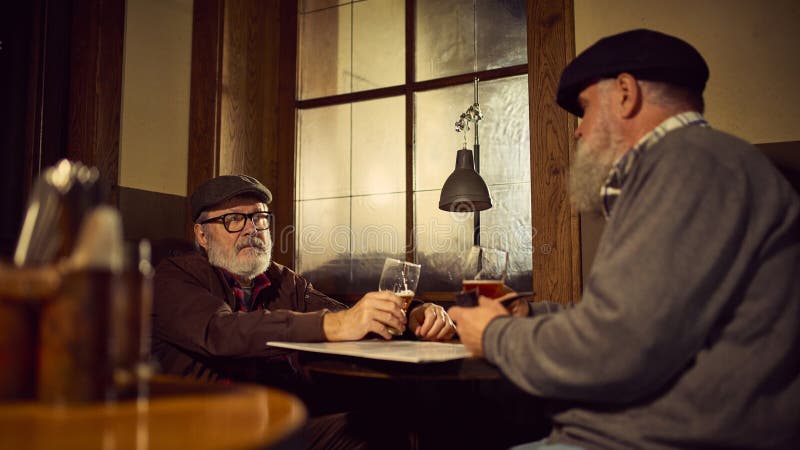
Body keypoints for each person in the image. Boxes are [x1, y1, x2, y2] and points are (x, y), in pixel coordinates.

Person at [449, 28, 799, 450]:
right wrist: (531, 313)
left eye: (585, 109)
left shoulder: (689, 165)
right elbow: (638, 320)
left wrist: (494, 335)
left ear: (625, 93)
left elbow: (616, 349)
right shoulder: (695, 163)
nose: (578, 131)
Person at [151, 174, 456, 448]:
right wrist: (334, 326)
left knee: (387, 422)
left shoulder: (284, 281)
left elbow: (349, 314)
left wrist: (414, 315)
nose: (251, 229)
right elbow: (220, 331)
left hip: (280, 426)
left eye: (259, 218)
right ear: (202, 235)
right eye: (233, 219)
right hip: (207, 436)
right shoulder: (174, 276)